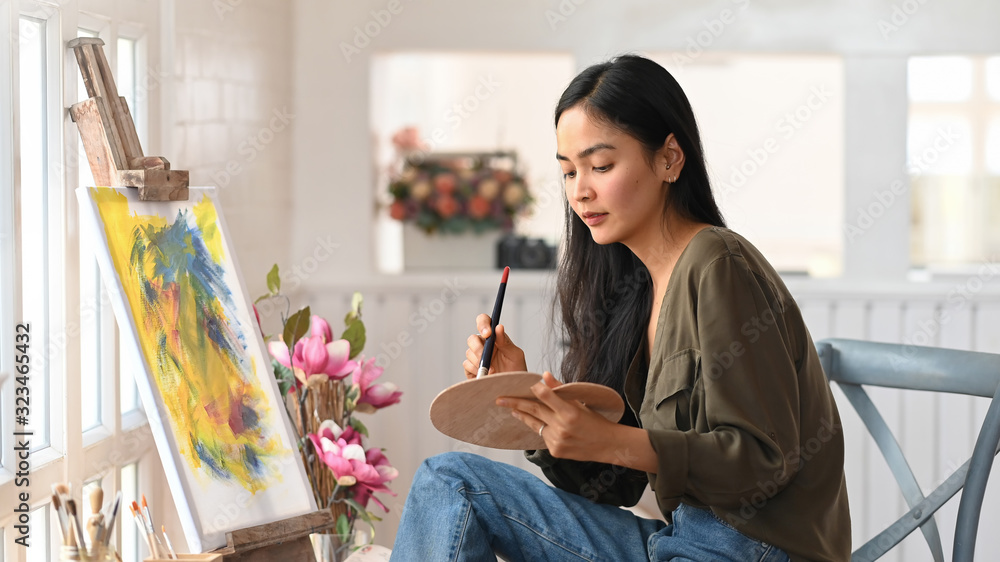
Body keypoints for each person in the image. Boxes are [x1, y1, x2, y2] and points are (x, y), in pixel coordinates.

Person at [390, 54, 851, 562]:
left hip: (752, 550)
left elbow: (764, 464)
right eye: (568, 173)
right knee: (450, 483)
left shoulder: (717, 263)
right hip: (679, 543)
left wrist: (611, 439)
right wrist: (527, 403)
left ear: (669, 158)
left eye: (601, 165)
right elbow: (619, 486)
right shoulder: (638, 289)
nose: (581, 191)